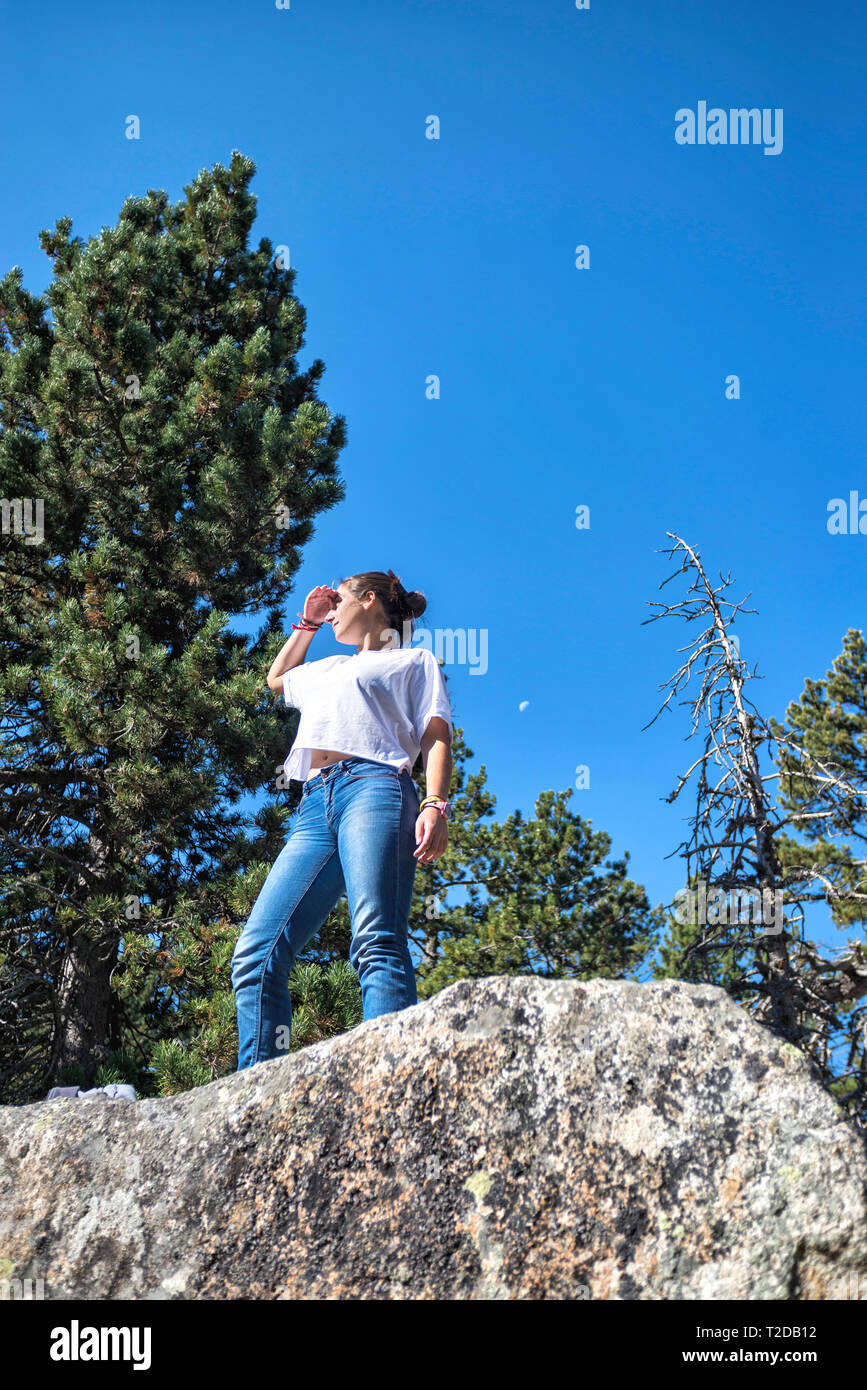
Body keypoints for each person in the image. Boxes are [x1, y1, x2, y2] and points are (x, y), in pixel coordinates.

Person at [230, 568, 453, 1071]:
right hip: (314, 805)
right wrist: (305, 626)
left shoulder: (412, 661)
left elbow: (436, 734)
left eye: (339, 602)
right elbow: (276, 680)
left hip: (375, 788)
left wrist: (434, 803)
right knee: (255, 954)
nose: (332, 611)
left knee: (376, 939)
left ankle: (390, 1080)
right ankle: (256, 1092)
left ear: (369, 600)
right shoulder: (327, 668)